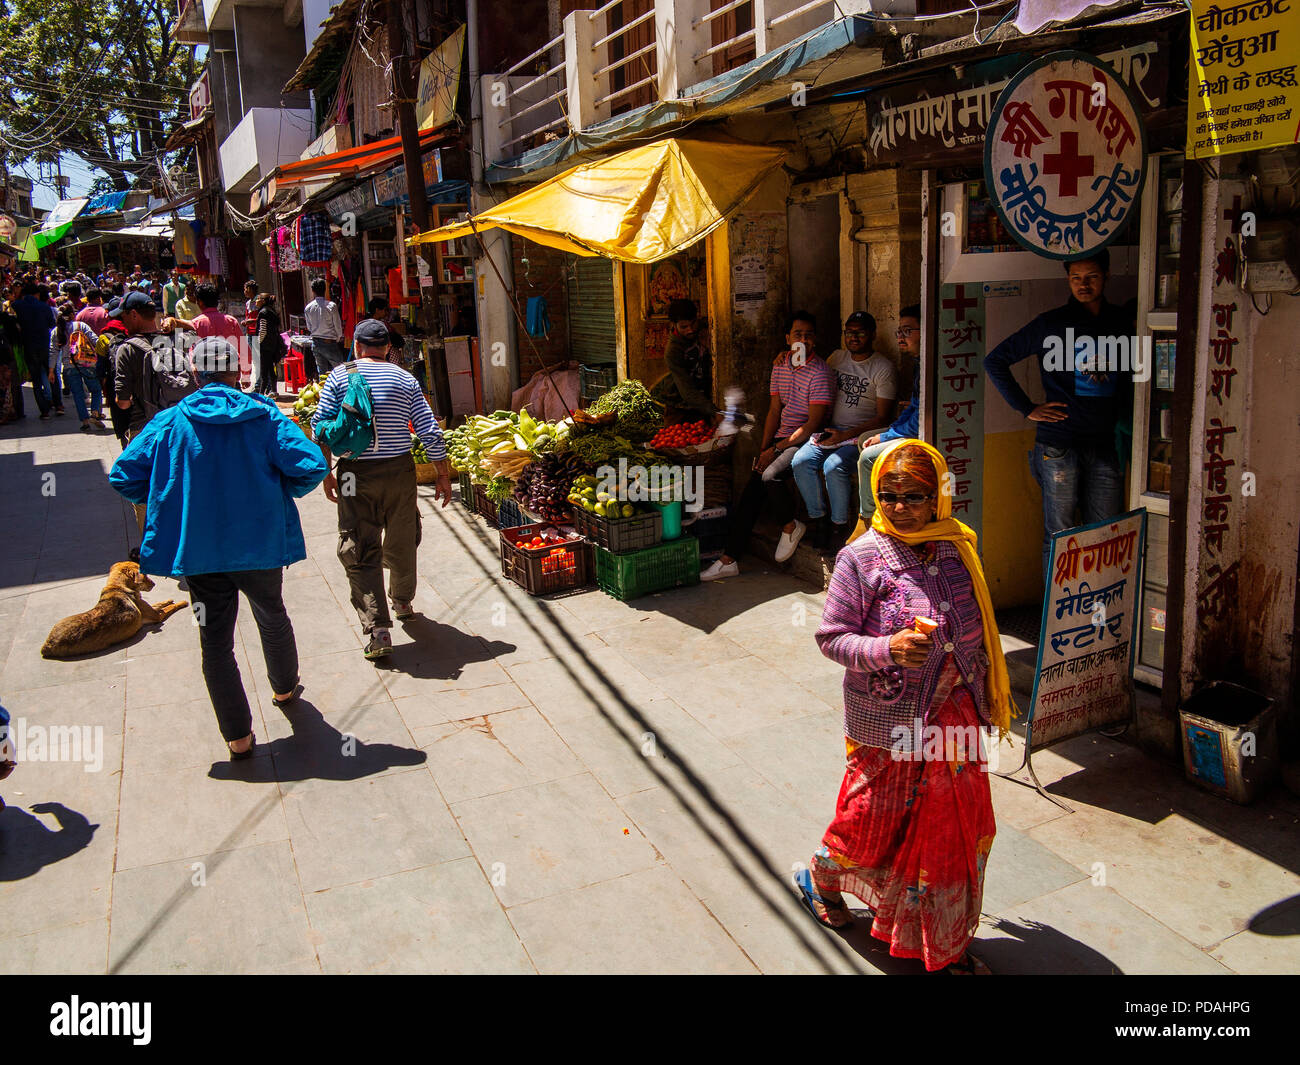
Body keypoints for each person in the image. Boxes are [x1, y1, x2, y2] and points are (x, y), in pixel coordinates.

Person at [793, 440, 1012, 974]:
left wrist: (983, 690)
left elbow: (977, 632)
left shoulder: (959, 545)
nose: (899, 507)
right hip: (887, 721)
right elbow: (831, 638)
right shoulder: (860, 557)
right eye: (887, 496)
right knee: (869, 819)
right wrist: (887, 649)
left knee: (950, 828)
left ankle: (945, 939)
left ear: (938, 496)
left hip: (955, 715)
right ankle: (822, 877)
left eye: (913, 496)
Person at [109, 337, 329, 760]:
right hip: (261, 545)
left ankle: (238, 738)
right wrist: (278, 493)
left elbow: (124, 475)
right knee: (272, 613)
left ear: (196, 373)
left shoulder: (170, 420)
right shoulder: (264, 416)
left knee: (214, 641)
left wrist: (162, 497)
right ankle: (284, 689)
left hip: (200, 555)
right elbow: (311, 466)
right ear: (237, 372)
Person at [983, 251, 1134, 575]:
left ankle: (1098, 615)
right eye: (1076, 278)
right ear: (1068, 279)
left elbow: (1134, 379)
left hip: (1105, 444)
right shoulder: (1050, 323)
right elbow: (994, 361)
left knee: (1104, 535)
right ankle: (1055, 620)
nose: (1083, 284)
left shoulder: (1121, 322)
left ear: (1106, 276)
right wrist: (1027, 409)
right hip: (1059, 444)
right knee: (1060, 534)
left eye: (1091, 276)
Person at [311, 319, 451, 660]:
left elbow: (320, 427)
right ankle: (402, 600)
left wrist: (325, 474)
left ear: (357, 346)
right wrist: (442, 473)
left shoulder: (339, 376)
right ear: (387, 347)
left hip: (352, 474)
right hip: (400, 471)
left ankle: (377, 630)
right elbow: (429, 430)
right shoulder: (405, 379)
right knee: (402, 536)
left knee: (358, 544)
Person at [701, 311, 835, 581]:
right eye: (798, 334)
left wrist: (774, 451)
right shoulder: (780, 365)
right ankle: (729, 559)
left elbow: (812, 425)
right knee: (751, 490)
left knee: (769, 475)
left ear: (815, 340)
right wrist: (762, 450)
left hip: (808, 441)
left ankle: (790, 525)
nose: (803, 340)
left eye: (809, 335)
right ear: (787, 338)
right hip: (781, 439)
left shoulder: (820, 372)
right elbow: (774, 410)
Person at [791, 311, 898, 554]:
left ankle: (839, 527)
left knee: (833, 467)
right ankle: (820, 521)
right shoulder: (836, 358)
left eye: (860, 332)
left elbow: (883, 417)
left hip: (860, 436)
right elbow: (805, 368)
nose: (854, 337)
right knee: (801, 461)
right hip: (831, 431)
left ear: (872, 334)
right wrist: (784, 356)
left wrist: (846, 435)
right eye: (849, 332)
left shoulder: (883, 367)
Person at [856, 304, 923, 529]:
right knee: (864, 438)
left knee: (868, 457)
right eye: (899, 332)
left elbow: (920, 418)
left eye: (908, 331)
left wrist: (886, 437)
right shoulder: (918, 364)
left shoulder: (930, 364)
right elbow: (914, 407)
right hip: (910, 429)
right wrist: (890, 430)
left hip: (923, 434)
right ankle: (885, 502)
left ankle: (869, 520)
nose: (901, 338)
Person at [650, 298, 716, 424]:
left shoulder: (705, 328)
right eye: (684, 327)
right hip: (679, 409)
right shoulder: (672, 351)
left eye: (693, 324)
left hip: (703, 405)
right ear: (674, 325)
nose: (690, 330)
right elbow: (687, 391)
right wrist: (713, 411)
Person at [11, 282, 56, 419]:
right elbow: (51, 324)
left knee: (36, 380)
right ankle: (57, 404)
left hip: (28, 346)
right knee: (50, 373)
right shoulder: (44, 307)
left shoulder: (17, 305)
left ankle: (44, 411)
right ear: (37, 294)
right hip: (45, 344)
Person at [61, 301, 104, 432]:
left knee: (78, 394)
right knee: (96, 390)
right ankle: (95, 413)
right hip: (86, 362)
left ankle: (85, 421)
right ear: (73, 314)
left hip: (69, 365)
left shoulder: (57, 330)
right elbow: (95, 340)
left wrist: (51, 370)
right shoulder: (81, 326)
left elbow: (53, 351)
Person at [304, 277, 345, 375]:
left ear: (313, 291)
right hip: (329, 342)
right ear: (325, 289)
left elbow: (309, 327)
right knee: (341, 370)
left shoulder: (308, 308)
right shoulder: (331, 306)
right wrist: (338, 337)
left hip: (316, 342)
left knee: (322, 373)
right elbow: (337, 325)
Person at [255, 292, 285, 396]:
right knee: (271, 368)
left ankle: (261, 393)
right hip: (273, 344)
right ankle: (273, 390)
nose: (256, 301)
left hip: (265, 345)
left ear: (263, 301)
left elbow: (262, 330)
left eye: (258, 298)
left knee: (264, 370)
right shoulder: (272, 311)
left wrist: (258, 342)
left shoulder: (263, 312)